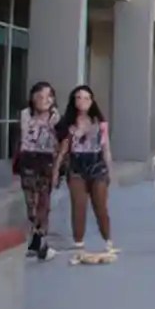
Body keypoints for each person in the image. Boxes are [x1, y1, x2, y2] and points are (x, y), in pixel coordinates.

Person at [54, 85, 114, 254]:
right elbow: (63, 150)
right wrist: (56, 171)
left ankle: (108, 239)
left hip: (96, 165)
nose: (82, 101)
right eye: (78, 97)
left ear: (92, 101)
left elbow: (106, 148)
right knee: (78, 205)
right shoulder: (68, 123)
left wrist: (110, 171)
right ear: (73, 101)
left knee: (100, 205)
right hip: (76, 166)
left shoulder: (100, 123)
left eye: (86, 98)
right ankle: (78, 242)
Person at [15, 81, 60, 261]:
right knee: (31, 204)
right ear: (32, 98)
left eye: (48, 96)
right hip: (28, 160)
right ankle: (37, 240)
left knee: (44, 203)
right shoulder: (25, 115)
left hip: (47, 161)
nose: (44, 100)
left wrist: (58, 169)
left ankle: (40, 241)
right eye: (40, 96)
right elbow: (20, 139)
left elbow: (62, 144)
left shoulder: (56, 118)